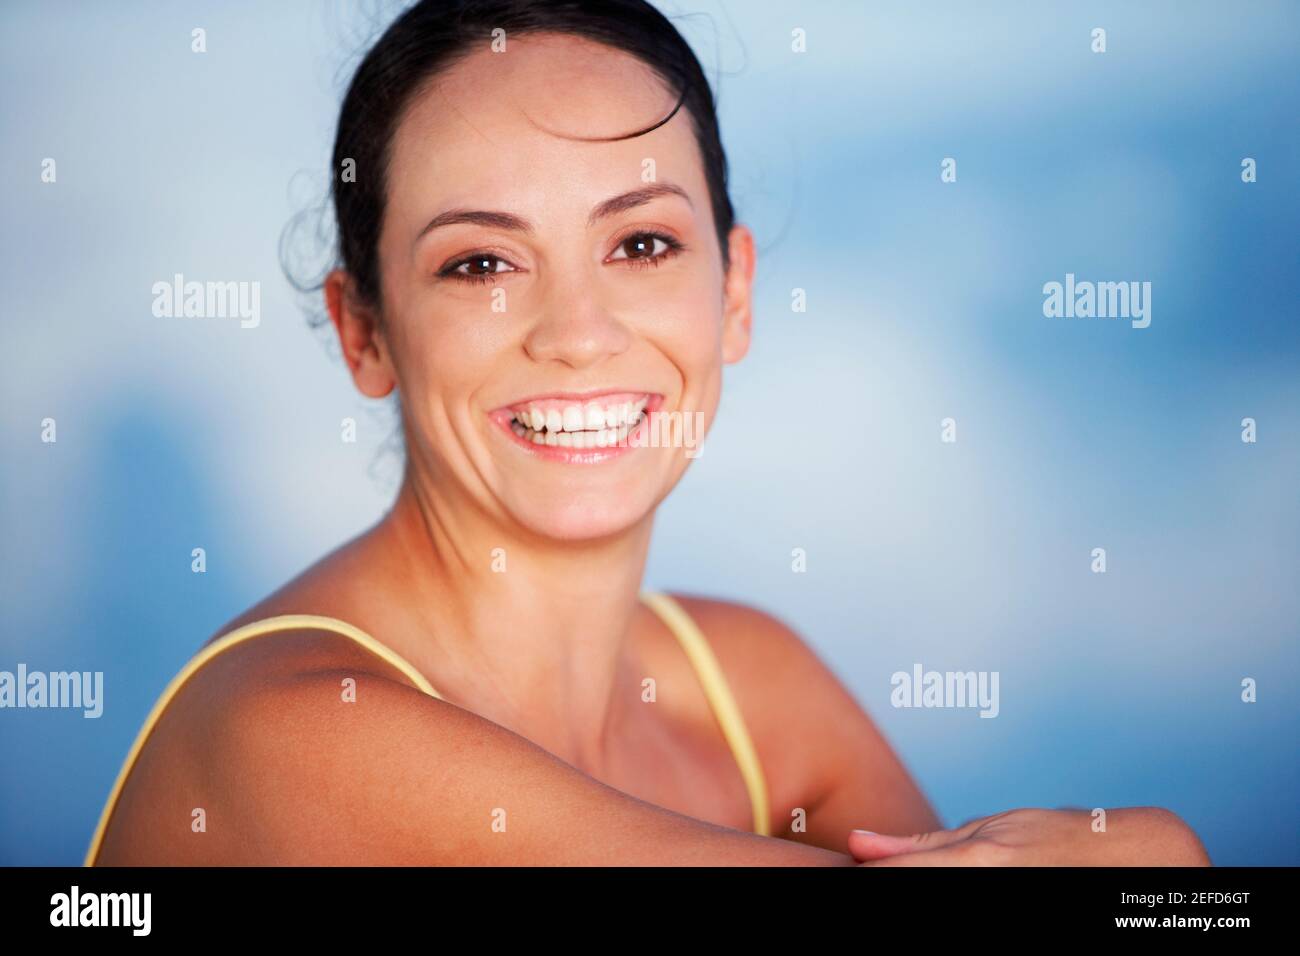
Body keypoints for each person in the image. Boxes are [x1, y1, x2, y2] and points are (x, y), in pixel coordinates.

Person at [84, 0, 1209, 866]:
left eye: (642, 245)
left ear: (735, 295)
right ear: (363, 331)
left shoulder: (750, 684)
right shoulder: (296, 732)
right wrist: (1168, 850)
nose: (576, 334)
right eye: (480, 262)